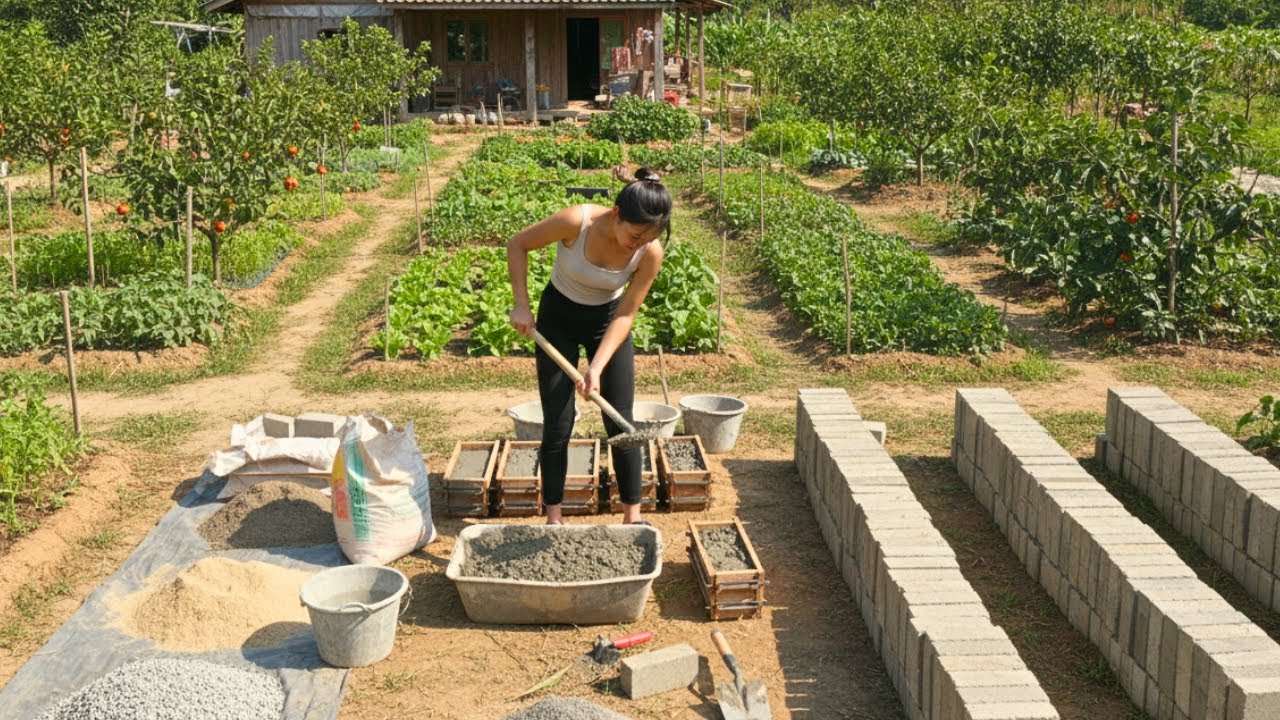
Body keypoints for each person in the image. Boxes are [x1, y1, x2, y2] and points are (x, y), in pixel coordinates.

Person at [507, 168, 670, 525]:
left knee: (620, 422)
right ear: (616, 214)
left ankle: (633, 519)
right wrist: (522, 304)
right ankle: (554, 518)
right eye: (636, 234)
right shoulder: (575, 221)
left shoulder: (649, 252)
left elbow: (626, 314)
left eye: (650, 238)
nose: (639, 243)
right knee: (558, 423)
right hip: (557, 322)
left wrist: (595, 366)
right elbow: (517, 244)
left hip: (607, 325)